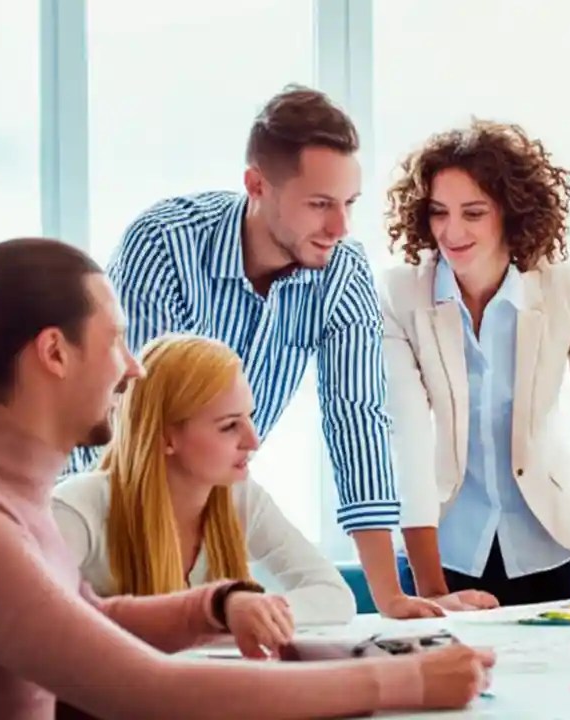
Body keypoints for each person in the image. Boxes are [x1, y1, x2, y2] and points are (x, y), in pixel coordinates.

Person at [0, 238, 495, 719]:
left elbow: (92, 618)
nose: (132, 368)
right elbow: (143, 691)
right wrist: (409, 681)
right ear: (54, 352)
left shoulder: (9, 495)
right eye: (115, 341)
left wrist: (216, 605)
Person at [65, 85, 473, 618]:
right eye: (320, 204)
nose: (340, 228)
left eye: (349, 204)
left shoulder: (341, 272)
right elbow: (140, 413)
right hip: (104, 508)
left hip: (200, 500)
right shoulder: (166, 243)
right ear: (257, 185)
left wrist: (391, 598)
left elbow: (359, 421)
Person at [381, 120, 570, 607]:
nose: (451, 232)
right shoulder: (400, 297)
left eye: (473, 213)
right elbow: (406, 441)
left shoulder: (566, 291)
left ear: (511, 215)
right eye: (438, 212)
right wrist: (432, 594)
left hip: (552, 547)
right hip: (440, 548)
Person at [53, 333, 356, 629]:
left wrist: (253, 612)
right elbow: (45, 620)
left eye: (249, 417)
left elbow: (333, 595)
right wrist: (220, 612)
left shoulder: (241, 498)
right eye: (229, 426)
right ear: (166, 437)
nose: (253, 441)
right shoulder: (78, 508)